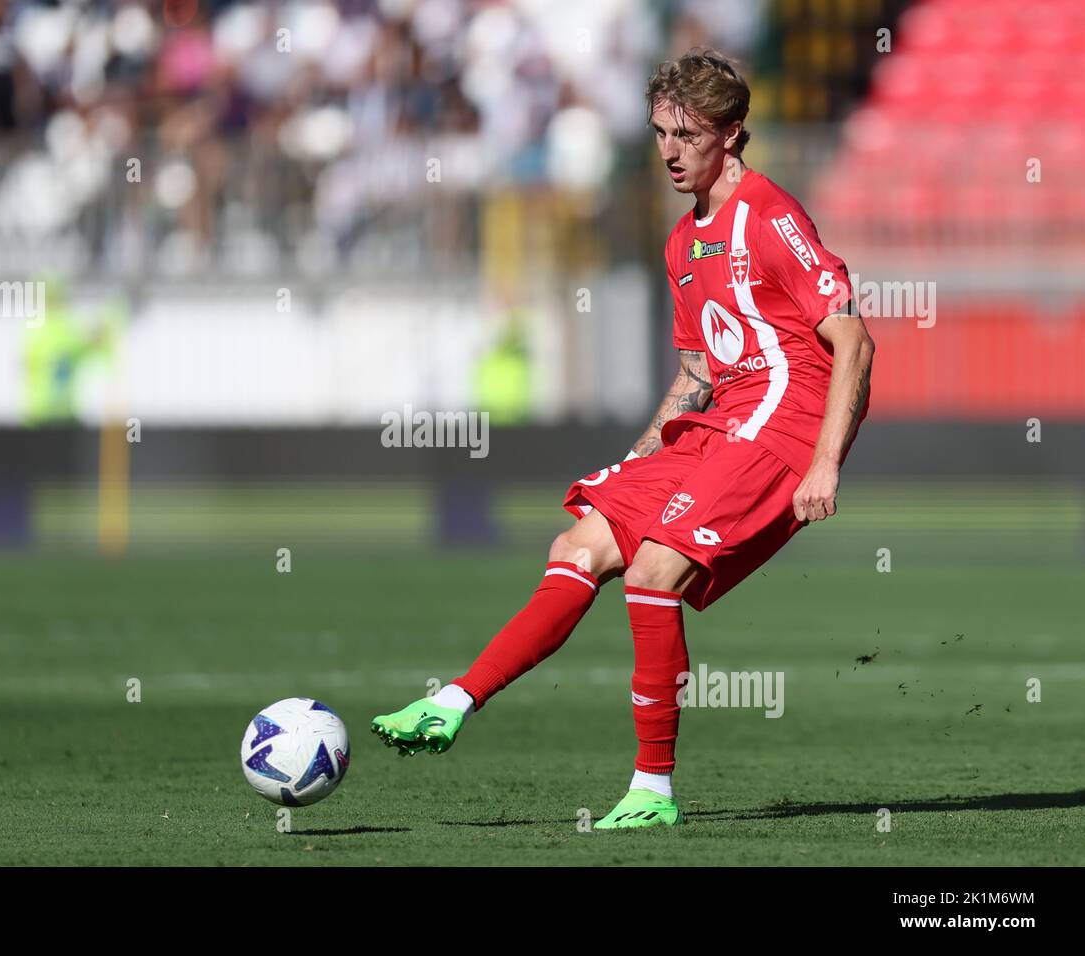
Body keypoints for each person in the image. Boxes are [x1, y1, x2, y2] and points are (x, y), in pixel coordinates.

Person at [370, 50, 875, 829]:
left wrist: (825, 464)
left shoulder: (771, 216)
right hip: (718, 425)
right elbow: (700, 370)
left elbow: (855, 342)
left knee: (653, 570)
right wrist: (645, 457)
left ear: (732, 135)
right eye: (659, 133)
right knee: (580, 545)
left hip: (783, 426)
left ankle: (653, 791)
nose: (669, 152)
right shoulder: (683, 245)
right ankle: (454, 701)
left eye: (687, 134)